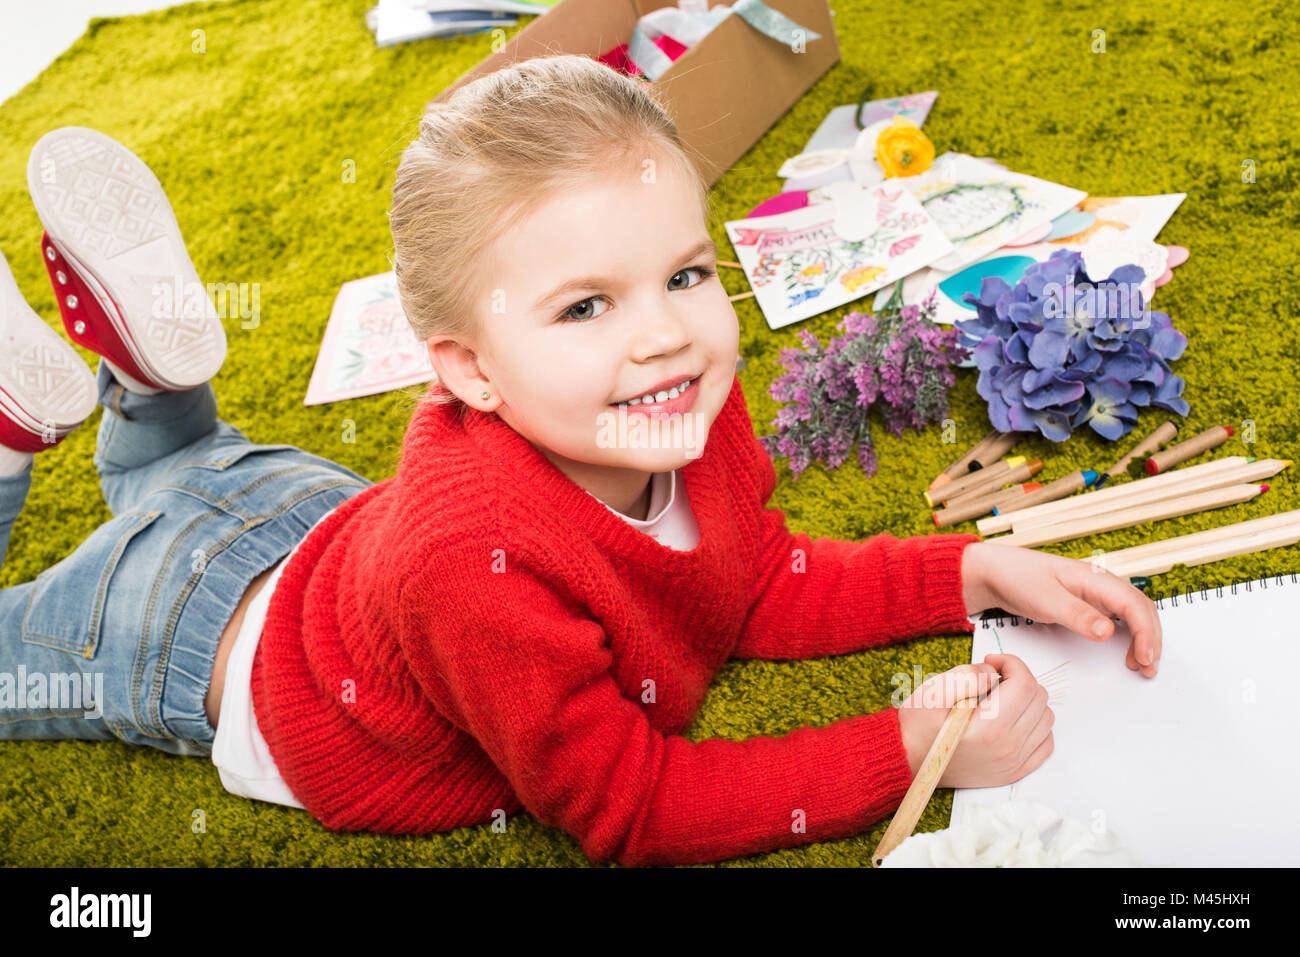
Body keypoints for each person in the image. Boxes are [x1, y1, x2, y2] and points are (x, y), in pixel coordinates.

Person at [0, 54, 1162, 867]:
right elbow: (634, 806)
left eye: (684, 275)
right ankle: (22, 440)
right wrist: (905, 750)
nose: (663, 331)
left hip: (304, 511)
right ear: (468, 373)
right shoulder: (473, 569)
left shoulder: (676, 403)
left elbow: (754, 581)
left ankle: (159, 390)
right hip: (176, 632)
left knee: (181, 477)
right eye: (584, 307)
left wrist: (969, 574)